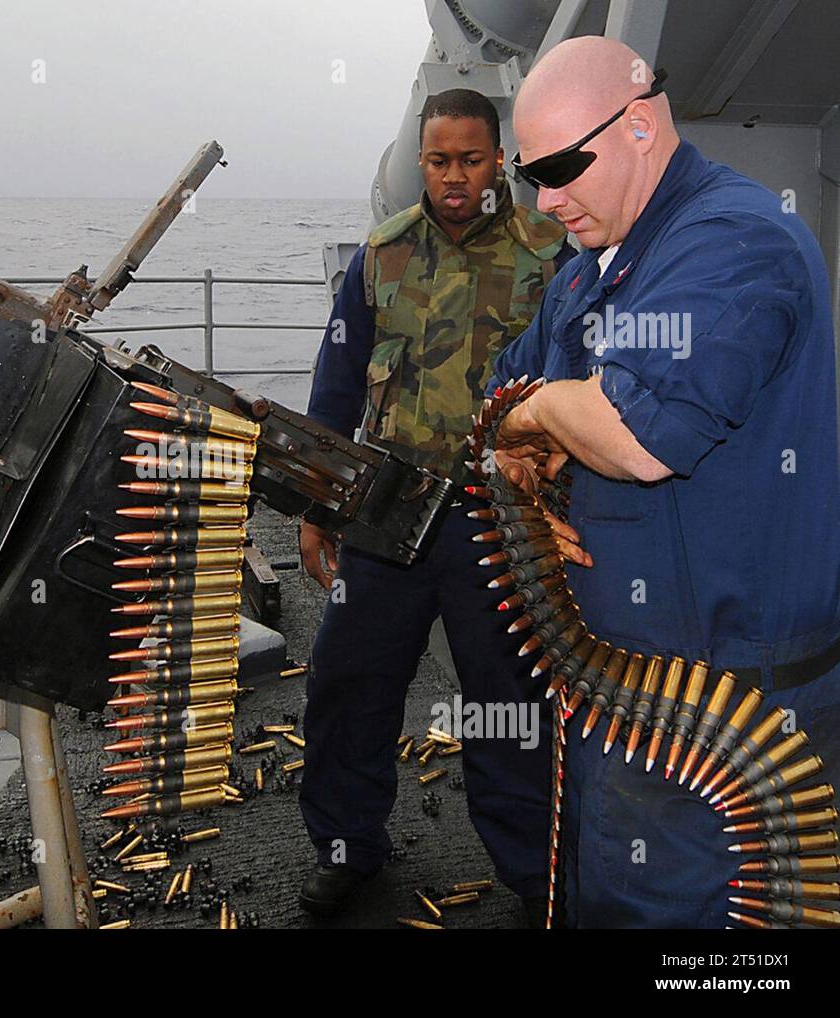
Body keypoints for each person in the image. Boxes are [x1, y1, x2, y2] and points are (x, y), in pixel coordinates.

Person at [487, 36, 840, 928]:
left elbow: (637, 437)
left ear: (640, 124)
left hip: (736, 713)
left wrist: (545, 415)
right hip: (620, 702)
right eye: (531, 173)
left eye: (565, 166)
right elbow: (499, 399)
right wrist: (515, 446)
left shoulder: (734, 241)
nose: (546, 198)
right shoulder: (587, 277)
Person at [297, 88, 573, 922]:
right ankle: (346, 850)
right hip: (387, 511)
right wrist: (317, 505)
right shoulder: (378, 257)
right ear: (421, 161)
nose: (455, 177)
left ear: (500, 160)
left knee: (510, 698)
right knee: (350, 682)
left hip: (501, 518)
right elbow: (338, 386)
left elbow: (581, 389)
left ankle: (535, 876)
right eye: (439, 160)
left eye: (472, 159)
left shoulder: (550, 255)